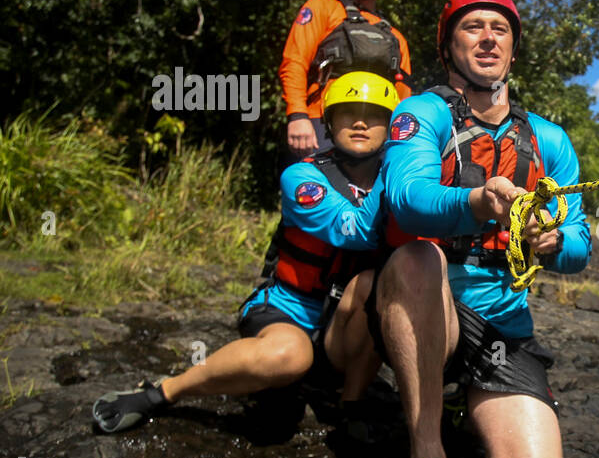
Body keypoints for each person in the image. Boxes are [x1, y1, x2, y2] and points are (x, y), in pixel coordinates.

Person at [368, 0, 591, 458]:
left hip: (499, 327)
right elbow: (405, 195)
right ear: (447, 49)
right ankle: (426, 457)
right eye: (473, 27)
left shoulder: (551, 141)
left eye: (501, 29)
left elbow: (580, 247)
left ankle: (473, 403)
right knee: (419, 256)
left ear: (513, 51)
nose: (488, 37)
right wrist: (472, 204)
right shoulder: (420, 113)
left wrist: (551, 240)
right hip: (425, 297)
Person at [91, 72, 396, 435]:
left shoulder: (405, 180)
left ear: (391, 126)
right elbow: (354, 229)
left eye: (374, 114)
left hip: (343, 331)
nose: (360, 122)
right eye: (348, 112)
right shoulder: (303, 178)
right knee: (289, 356)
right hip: (288, 312)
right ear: (329, 121)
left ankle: (352, 403)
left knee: (376, 281)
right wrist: (397, 176)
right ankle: (164, 392)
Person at [278, 0, 413, 164]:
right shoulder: (322, 7)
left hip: (376, 132)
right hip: (320, 124)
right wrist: (297, 115)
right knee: (313, 195)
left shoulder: (396, 37)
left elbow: (403, 95)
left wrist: (403, 141)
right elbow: (294, 61)